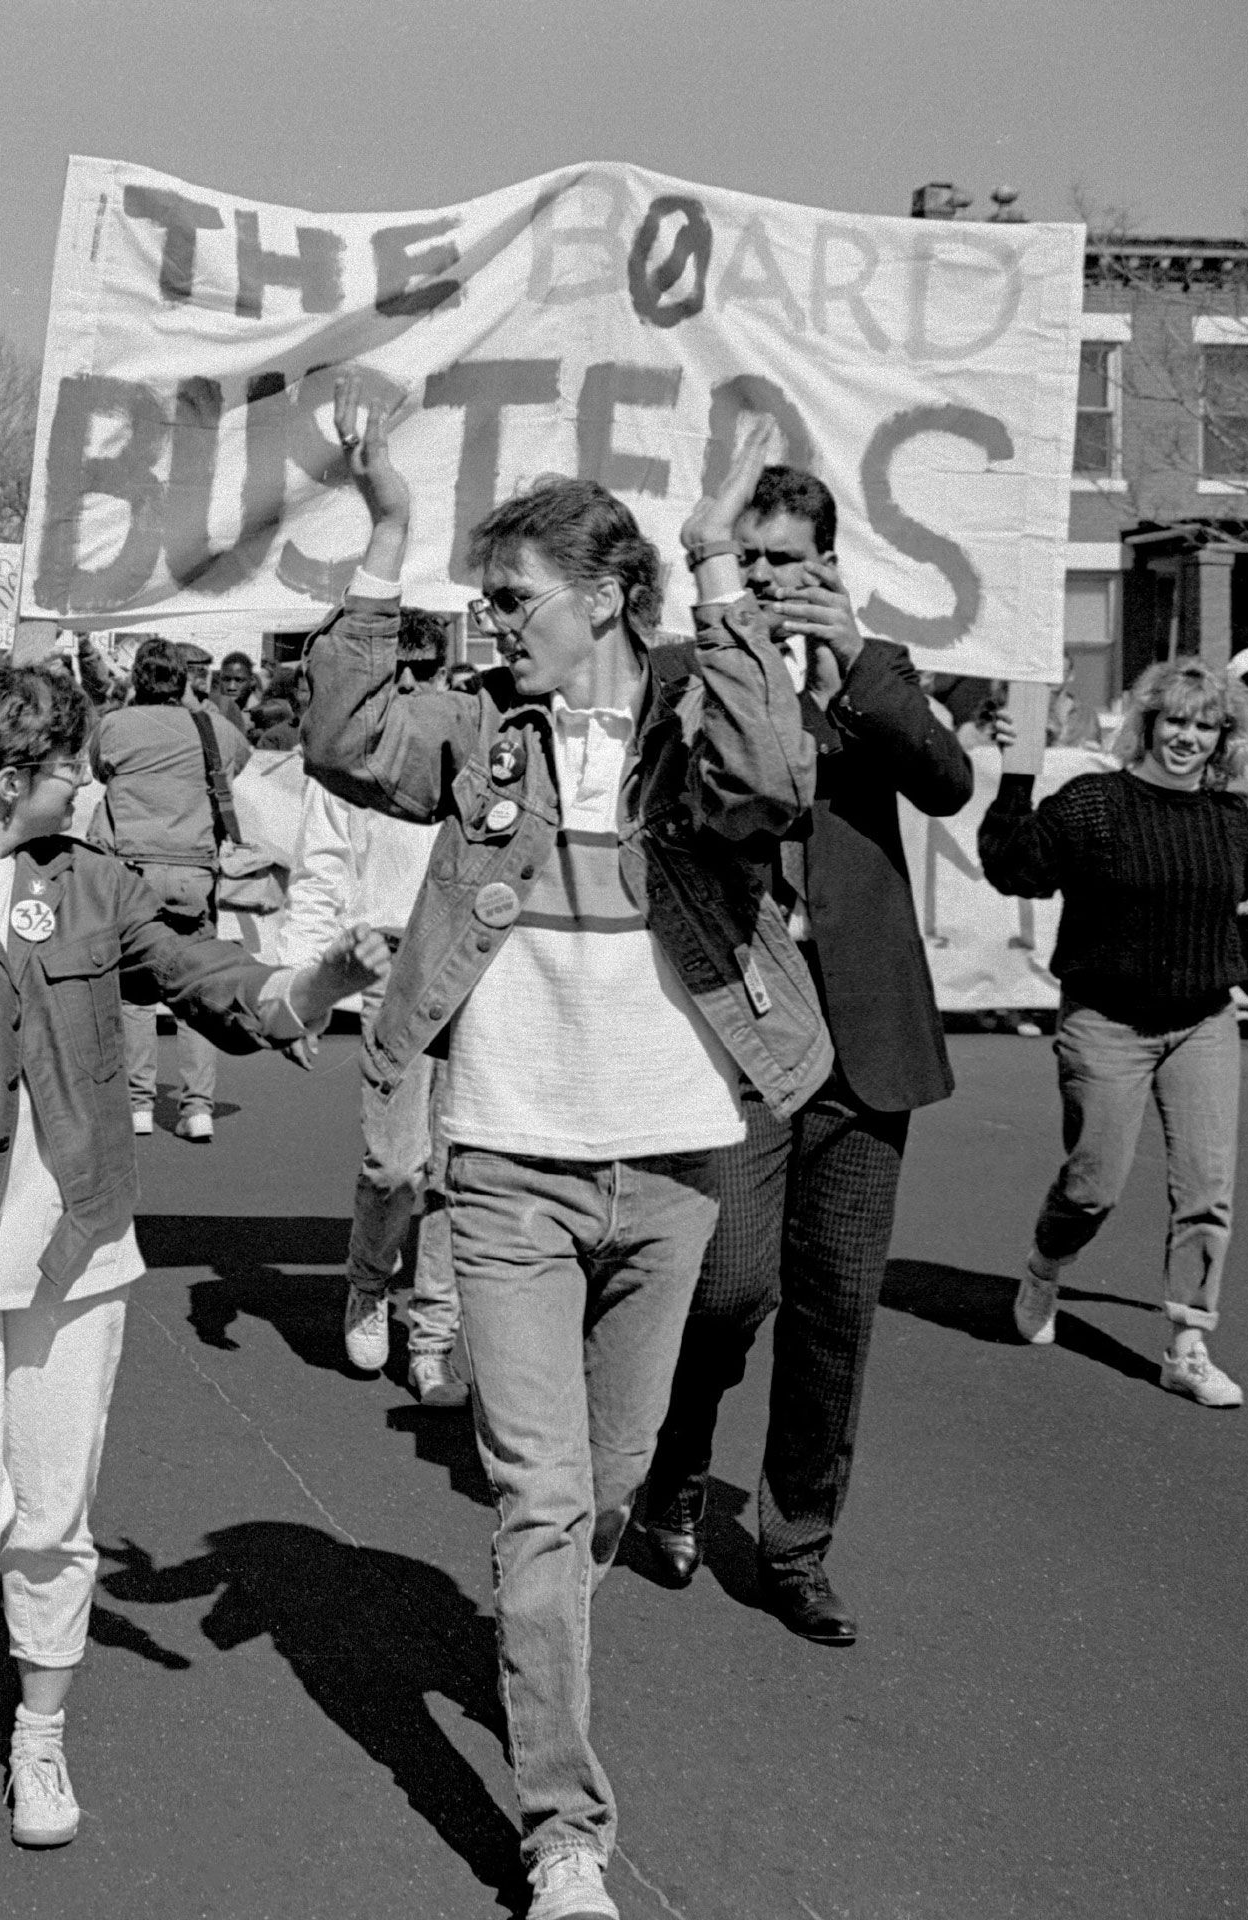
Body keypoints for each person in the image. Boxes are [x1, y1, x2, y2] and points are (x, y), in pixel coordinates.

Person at [308, 412, 821, 1920]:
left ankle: (536, 1636)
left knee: (603, 1491)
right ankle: (563, 1831)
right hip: (508, 1171)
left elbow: (773, 775)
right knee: (537, 1501)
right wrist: (385, 534)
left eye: (516, 598)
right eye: (485, 600)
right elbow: (342, 738)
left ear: (604, 597)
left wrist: (716, 560)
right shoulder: (480, 731)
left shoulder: (691, 728)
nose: (495, 624)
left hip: (668, 1169)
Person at [0, 660, 385, 1864]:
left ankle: (41, 1735)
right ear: (9, 778)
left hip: (75, 1250)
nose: (86, 782)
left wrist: (318, 982)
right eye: (69, 764)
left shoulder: (93, 882)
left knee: (51, 1519)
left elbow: (204, 977)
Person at [640, 465, 973, 1647]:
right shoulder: (683, 672)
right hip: (741, 1022)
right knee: (728, 1285)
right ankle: (673, 1466)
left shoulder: (874, 674)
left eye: (786, 559)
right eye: (749, 558)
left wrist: (852, 667)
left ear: (828, 564)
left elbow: (946, 782)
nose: (767, 578)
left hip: (864, 1032)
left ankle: (797, 1548)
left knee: (836, 1307)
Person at [981, 656, 1248, 1410]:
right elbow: (1014, 870)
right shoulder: (1095, 803)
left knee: (1207, 1191)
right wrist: (1017, 774)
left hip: (1202, 1023)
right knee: (1093, 1186)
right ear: (1148, 723)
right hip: (1106, 1023)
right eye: (1175, 721)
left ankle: (1188, 1344)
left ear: (1224, 736)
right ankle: (1044, 1265)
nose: (1187, 738)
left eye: (1205, 725)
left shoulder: (1227, 817)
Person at [287, 609, 465, 1408]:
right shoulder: (348, 769)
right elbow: (319, 875)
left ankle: (433, 1337)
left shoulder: (479, 750)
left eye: (428, 673)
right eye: (401, 675)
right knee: (396, 1165)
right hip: (391, 971)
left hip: (473, 970)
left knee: (458, 1169)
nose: (416, 687)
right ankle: (369, 1280)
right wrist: (299, 991)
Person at [91, 636, 250, 1142]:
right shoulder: (211, 728)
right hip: (192, 874)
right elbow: (242, 758)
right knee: (195, 989)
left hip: (131, 872)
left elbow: (98, 769)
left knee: (135, 993)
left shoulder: (115, 726)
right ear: (184, 681)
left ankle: (138, 1103)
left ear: (135, 679)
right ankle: (197, 1107)